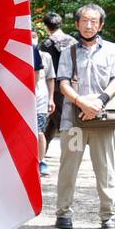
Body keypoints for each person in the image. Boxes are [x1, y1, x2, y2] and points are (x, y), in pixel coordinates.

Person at [53, 3, 115, 229]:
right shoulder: (68, 51)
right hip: (74, 121)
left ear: (101, 24)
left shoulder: (113, 50)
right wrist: (83, 103)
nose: (89, 25)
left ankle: (107, 215)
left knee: (105, 169)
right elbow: (63, 83)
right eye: (84, 21)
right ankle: (63, 213)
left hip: (103, 120)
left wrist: (98, 102)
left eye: (94, 21)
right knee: (68, 168)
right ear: (76, 24)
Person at [40, 12, 74, 163]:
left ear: (47, 27)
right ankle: (41, 153)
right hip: (71, 87)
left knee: (61, 122)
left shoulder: (46, 44)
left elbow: (45, 70)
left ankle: (71, 152)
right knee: (53, 123)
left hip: (54, 89)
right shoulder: (73, 41)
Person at [33, 28, 55, 176]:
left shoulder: (45, 56)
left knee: (40, 131)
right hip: (23, 101)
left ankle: (41, 160)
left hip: (40, 99)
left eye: (34, 37)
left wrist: (51, 98)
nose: (32, 40)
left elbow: (50, 78)